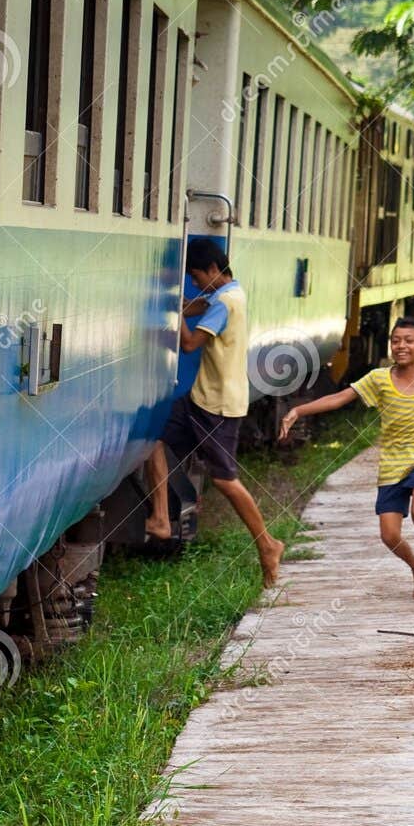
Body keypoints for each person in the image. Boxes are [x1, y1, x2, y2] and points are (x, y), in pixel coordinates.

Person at [280, 316, 414, 601]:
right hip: (391, 464)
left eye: (409, 341)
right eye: (395, 340)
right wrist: (298, 411)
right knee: (389, 536)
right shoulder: (378, 379)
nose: (401, 346)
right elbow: (340, 398)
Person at [144, 240, 286, 586]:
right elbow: (200, 304)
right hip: (203, 399)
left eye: (196, 276)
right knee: (152, 442)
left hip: (218, 406)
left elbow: (190, 343)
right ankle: (161, 518)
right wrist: (181, 305)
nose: (195, 283)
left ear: (211, 270)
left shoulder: (224, 302)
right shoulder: (231, 293)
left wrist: (175, 316)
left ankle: (268, 544)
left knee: (225, 479)